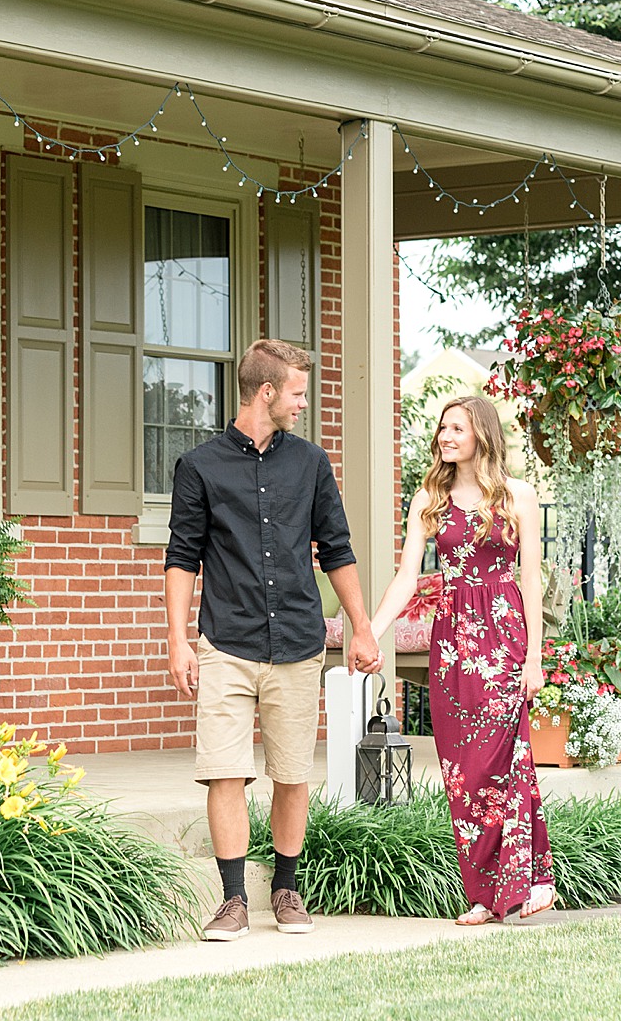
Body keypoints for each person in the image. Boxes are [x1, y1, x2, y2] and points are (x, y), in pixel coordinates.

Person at [165, 339, 378, 942]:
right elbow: (181, 557)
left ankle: (286, 888)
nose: (303, 404)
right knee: (224, 772)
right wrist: (178, 641)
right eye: (297, 393)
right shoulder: (199, 467)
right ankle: (233, 900)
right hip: (226, 642)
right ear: (267, 393)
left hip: (296, 643)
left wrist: (360, 627)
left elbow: (336, 548)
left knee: (291, 774)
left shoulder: (310, 464)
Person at [367, 393, 555, 924]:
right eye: (442, 428)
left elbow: (531, 581)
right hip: (451, 644)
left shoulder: (517, 495)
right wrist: (372, 633)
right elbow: (407, 576)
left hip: (503, 638)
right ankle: (485, 892)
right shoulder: (429, 496)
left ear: (482, 436)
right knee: (462, 770)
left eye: (457, 429)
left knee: (505, 757)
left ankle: (524, 883)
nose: (446, 437)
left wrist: (535, 659)